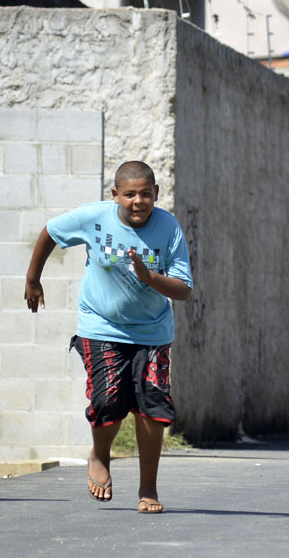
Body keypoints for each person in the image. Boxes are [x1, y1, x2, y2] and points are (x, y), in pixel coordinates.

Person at [24, 161, 193, 513]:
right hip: (101, 326)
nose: (138, 201)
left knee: (153, 408)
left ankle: (148, 488)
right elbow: (51, 232)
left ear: (156, 193)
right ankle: (100, 454)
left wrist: (150, 278)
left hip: (152, 331)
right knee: (107, 399)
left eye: (145, 194)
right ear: (115, 195)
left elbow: (183, 289)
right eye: (129, 194)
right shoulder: (94, 217)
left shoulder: (168, 228)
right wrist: (32, 279)